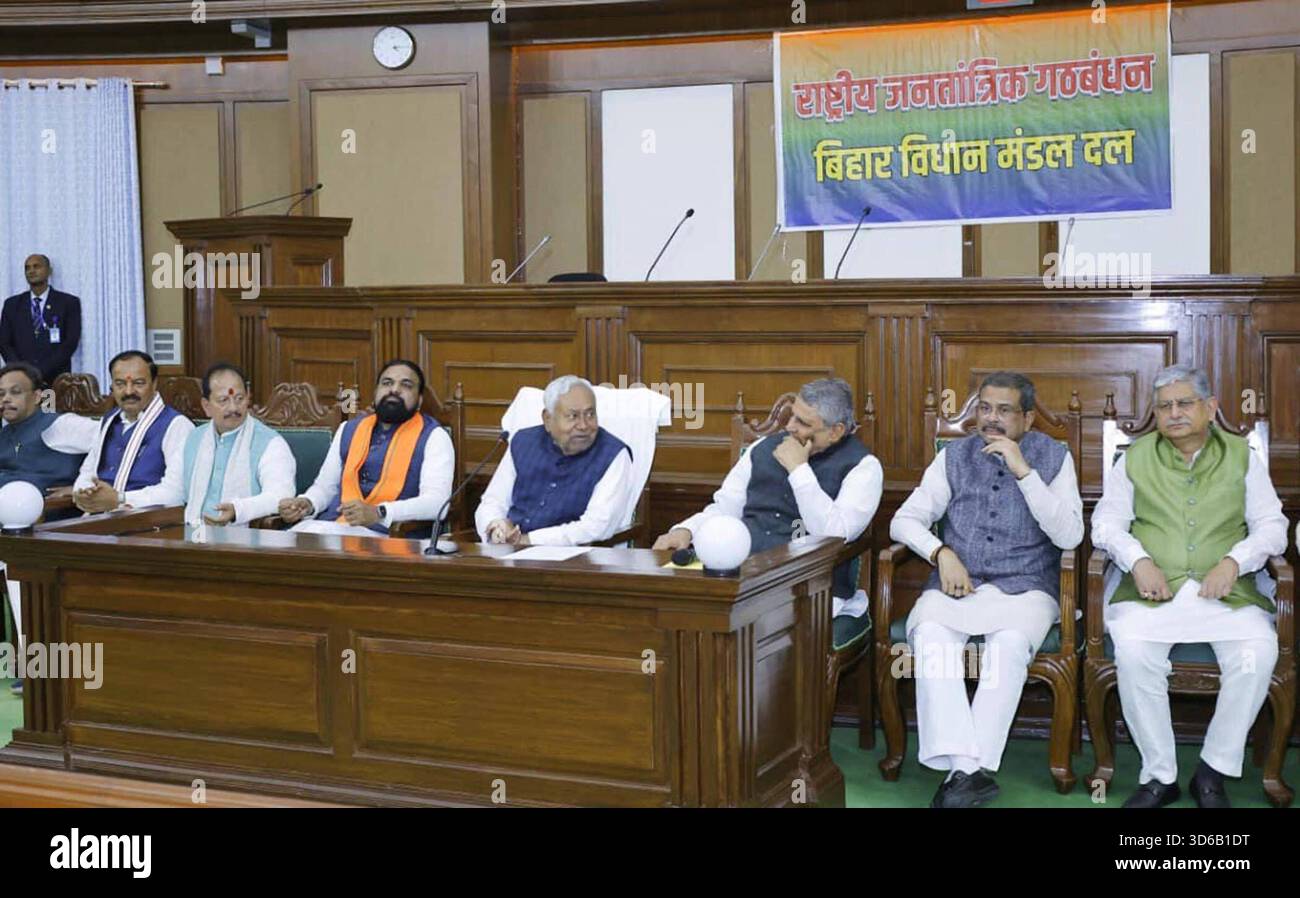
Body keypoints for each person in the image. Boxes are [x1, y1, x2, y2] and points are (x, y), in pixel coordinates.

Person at [1092, 364, 1286, 809]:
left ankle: (1212, 771)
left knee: (1257, 652)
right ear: (1156, 415)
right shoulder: (1134, 458)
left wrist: (1235, 562)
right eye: (1165, 406)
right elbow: (1105, 524)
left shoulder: (1242, 455)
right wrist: (1138, 560)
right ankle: (1160, 775)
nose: (1174, 413)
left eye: (1185, 403)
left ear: (1210, 407)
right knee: (1135, 651)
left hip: (1226, 593)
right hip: (1151, 592)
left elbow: (1272, 526)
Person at [890, 371, 1083, 809]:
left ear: (1028, 418)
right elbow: (903, 519)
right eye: (984, 408)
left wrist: (1024, 472)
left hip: (1027, 587)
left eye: (1004, 410)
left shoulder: (1053, 457)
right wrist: (941, 553)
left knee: (1008, 647)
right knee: (933, 640)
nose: (991, 419)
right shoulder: (953, 457)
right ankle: (969, 772)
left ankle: (962, 771)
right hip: (960, 582)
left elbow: (1070, 536)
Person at [653, 377, 882, 643]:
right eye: (793, 417)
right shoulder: (760, 449)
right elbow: (725, 508)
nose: (789, 427)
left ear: (836, 431)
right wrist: (687, 529)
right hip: (743, 576)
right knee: (676, 615)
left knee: (750, 633)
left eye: (803, 423)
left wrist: (799, 470)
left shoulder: (864, 467)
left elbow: (835, 534)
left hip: (811, 588)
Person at [278, 359, 453, 538]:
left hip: (390, 538)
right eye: (387, 383)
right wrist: (308, 503)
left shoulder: (434, 436)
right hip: (332, 528)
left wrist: (380, 513)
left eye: (406, 385)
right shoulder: (348, 429)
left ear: (419, 401)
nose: (394, 389)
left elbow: (438, 503)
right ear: (376, 392)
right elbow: (325, 487)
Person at [127, 362, 296, 527]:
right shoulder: (192, 440)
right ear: (206, 406)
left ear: (248, 398)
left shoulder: (270, 444)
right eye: (223, 400)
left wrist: (238, 510)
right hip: (196, 538)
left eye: (239, 399)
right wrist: (122, 499)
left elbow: (280, 496)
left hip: (248, 544)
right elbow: (173, 491)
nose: (233, 408)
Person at [475, 375, 632, 547]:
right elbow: (493, 501)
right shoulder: (523, 442)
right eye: (573, 416)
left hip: (574, 562)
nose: (583, 425)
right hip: (508, 554)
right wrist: (496, 527)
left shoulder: (613, 454)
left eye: (590, 414)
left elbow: (597, 526)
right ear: (548, 419)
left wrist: (529, 540)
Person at [72, 350, 193, 514]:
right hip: (97, 521)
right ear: (112, 387)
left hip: (148, 526)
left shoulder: (177, 426)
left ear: (155, 383)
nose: (129, 392)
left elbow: (176, 493)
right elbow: (87, 473)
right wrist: (84, 494)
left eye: (138, 383)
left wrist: (120, 499)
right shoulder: (108, 421)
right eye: (120, 384)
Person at [0, 361, 98, 492]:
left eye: (15, 392)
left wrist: (81, 486)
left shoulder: (60, 425)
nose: (6, 399)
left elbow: (116, 440)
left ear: (37, 397)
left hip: (51, 509)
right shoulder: (5, 433)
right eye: (1, 394)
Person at [0, 254, 82, 381]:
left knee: (48, 402)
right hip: (22, 381)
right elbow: (4, 343)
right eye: (27, 268)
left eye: (36, 266)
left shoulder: (68, 302)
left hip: (55, 380)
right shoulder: (12, 304)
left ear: (49, 271)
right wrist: (22, 372)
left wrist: (40, 372)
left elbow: (70, 343)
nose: (31, 271)